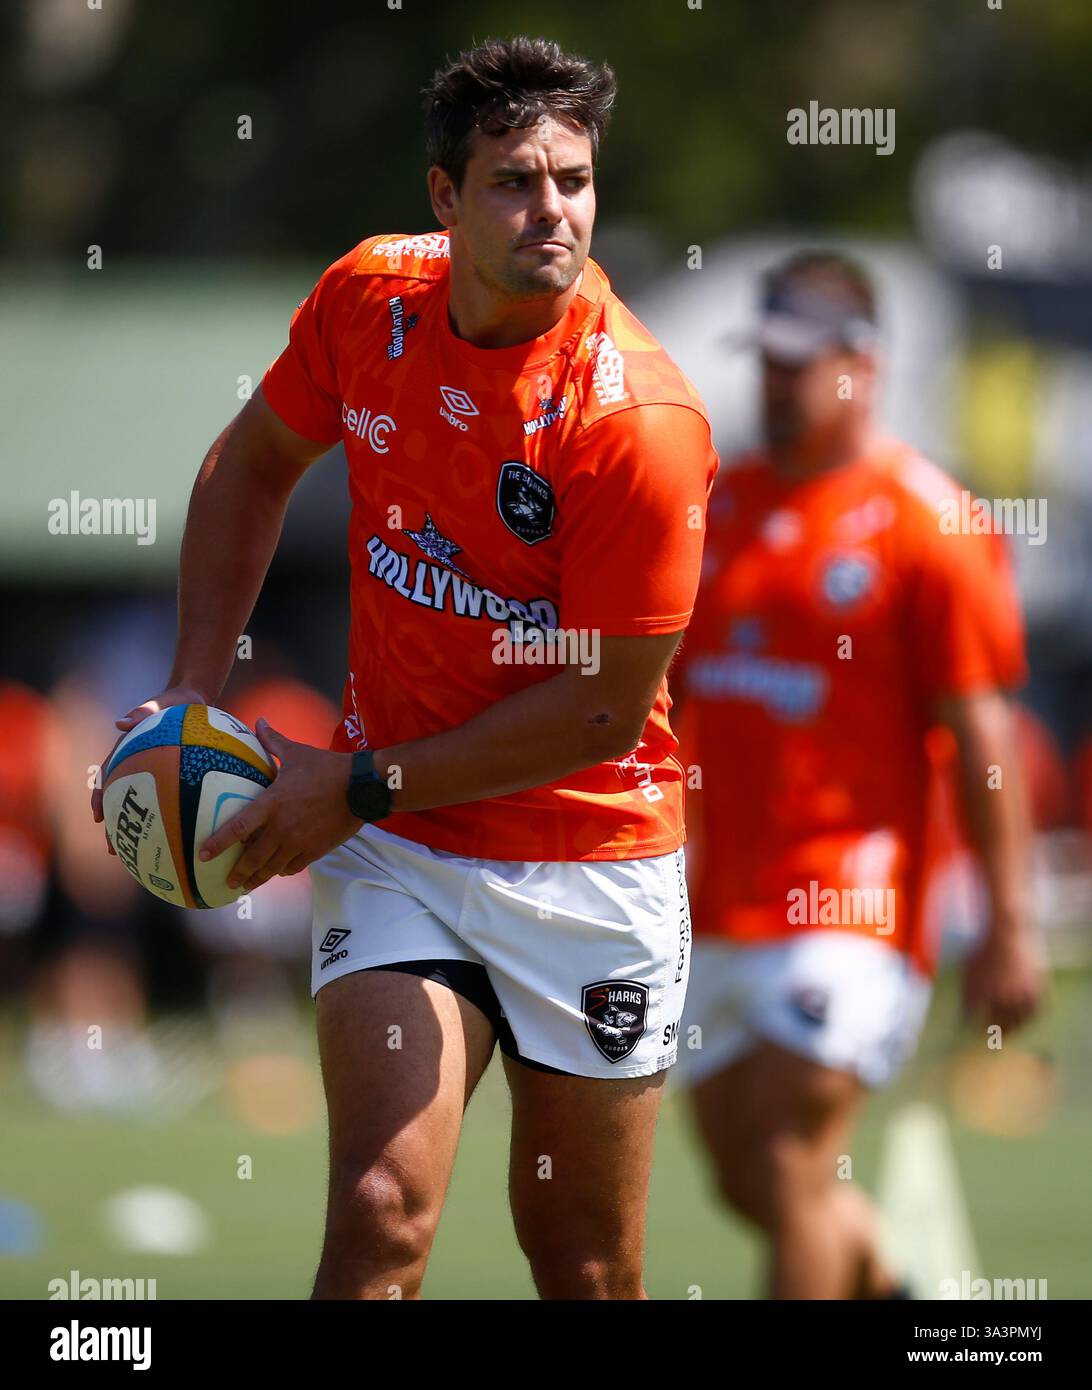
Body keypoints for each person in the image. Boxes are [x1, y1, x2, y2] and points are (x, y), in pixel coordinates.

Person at [91, 35, 718, 1299]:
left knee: (583, 1261)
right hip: (405, 855)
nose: (554, 209)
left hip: (585, 862)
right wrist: (192, 690)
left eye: (576, 180)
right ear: (445, 196)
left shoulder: (636, 421)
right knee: (381, 1216)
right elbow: (254, 460)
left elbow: (601, 711)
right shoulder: (368, 300)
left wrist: (355, 786)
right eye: (515, 180)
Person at [670, 249, 1046, 1299]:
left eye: (801, 362)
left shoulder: (932, 521)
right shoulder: (719, 507)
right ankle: (888, 1277)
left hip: (854, 900)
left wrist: (1011, 924)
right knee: (745, 1173)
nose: (777, 382)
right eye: (767, 361)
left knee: (794, 1157)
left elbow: (985, 739)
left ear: (864, 367)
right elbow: (665, 705)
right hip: (718, 901)